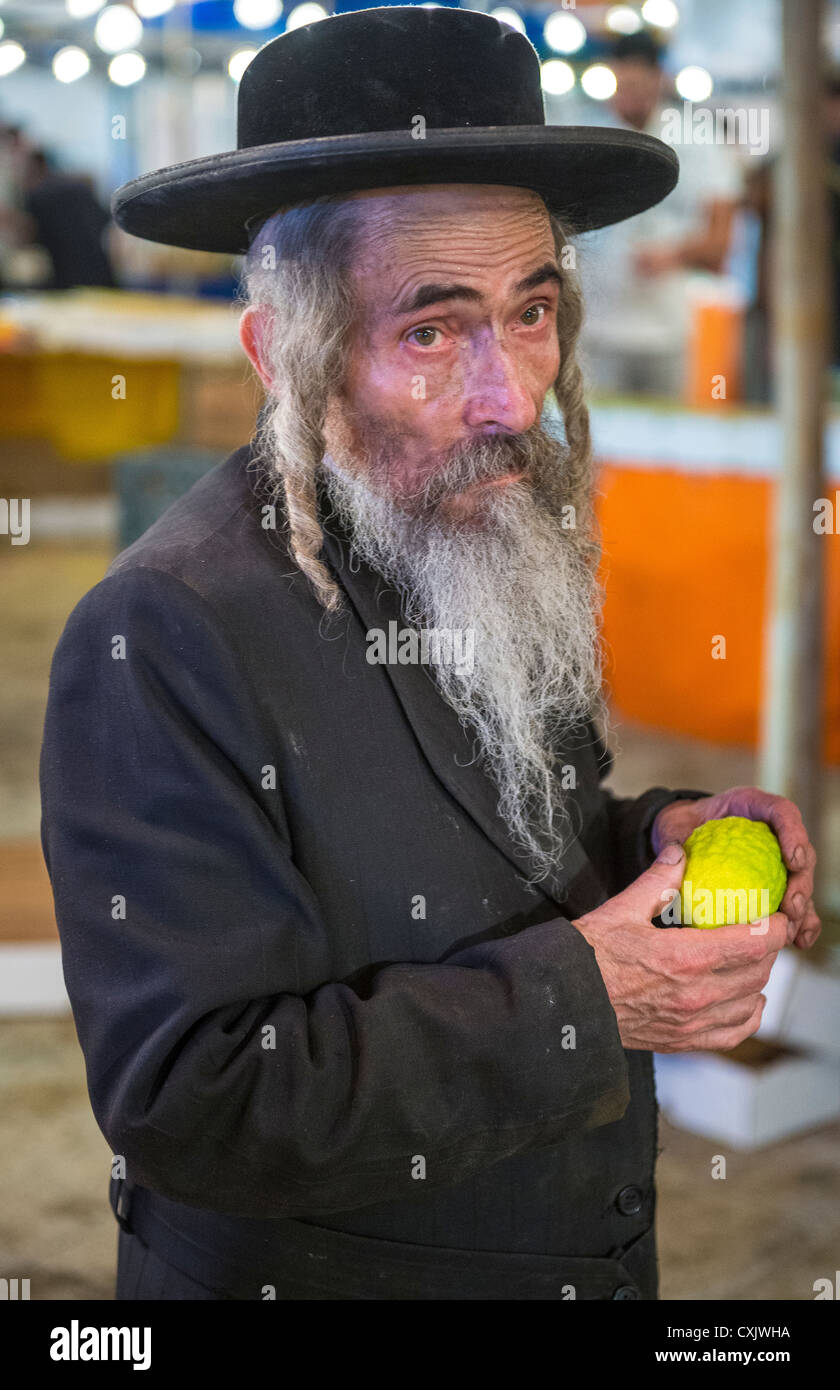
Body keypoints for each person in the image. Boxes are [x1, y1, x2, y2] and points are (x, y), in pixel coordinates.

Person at [39, 7, 819, 1302]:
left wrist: (657, 836)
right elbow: (193, 1099)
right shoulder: (161, 631)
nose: (510, 394)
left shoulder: (500, 532)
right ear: (283, 354)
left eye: (530, 312)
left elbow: (505, 847)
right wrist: (594, 996)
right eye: (431, 329)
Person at [577, 31, 741, 397]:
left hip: (671, 330)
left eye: (640, 83)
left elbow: (722, 240)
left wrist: (676, 254)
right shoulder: (585, 133)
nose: (630, 93)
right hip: (598, 332)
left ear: (658, 78)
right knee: (596, 441)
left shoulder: (697, 136)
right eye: (624, 82)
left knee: (668, 440)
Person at [20, 147, 116, 290]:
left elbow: (28, 237)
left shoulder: (37, 197)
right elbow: (105, 221)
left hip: (66, 280)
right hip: (100, 274)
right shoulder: (77, 187)